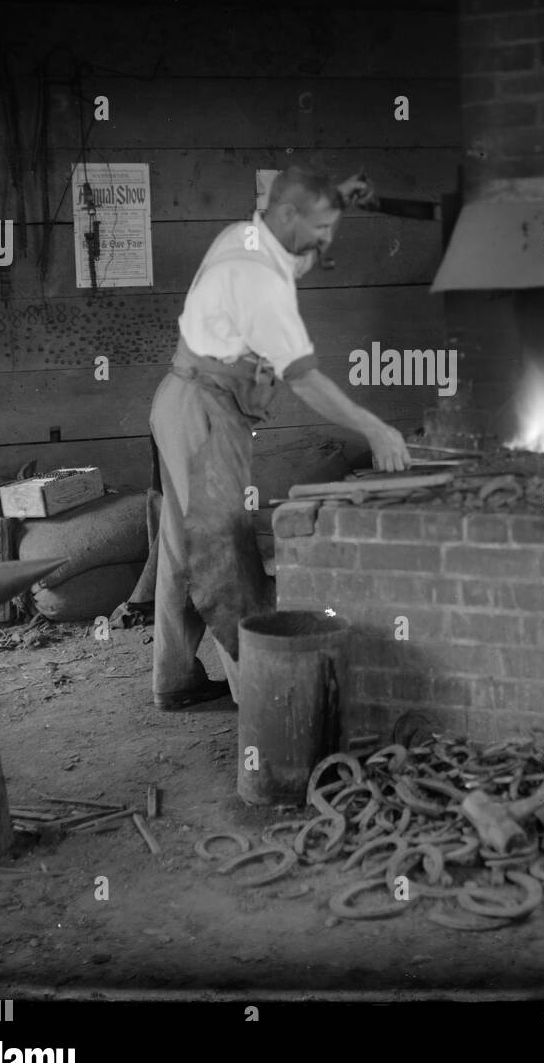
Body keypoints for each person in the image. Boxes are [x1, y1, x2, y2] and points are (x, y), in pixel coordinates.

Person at [148, 165, 411, 710]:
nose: (325, 243)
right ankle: (264, 703)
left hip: (178, 401)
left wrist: (335, 198)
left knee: (182, 544)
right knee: (227, 556)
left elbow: (297, 252)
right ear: (287, 215)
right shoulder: (261, 284)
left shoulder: (246, 235)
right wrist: (375, 427)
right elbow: (307, 379)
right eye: (320, 229)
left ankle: (174, 677)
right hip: (202, 415)